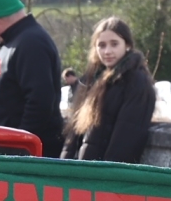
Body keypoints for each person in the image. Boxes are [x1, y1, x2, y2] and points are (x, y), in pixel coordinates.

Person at [59, 16, 154, 163]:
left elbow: (127, 140)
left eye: (114, 44)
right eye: (101, 45)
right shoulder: (93, 78)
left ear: (127, 45)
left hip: (102, 173)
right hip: (80, 170)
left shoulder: (136, 81)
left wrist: (107, 174)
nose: (107, 51)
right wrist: (64, 167)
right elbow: (74, 135)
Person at [0, 0, 63, 156]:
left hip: (30, 155)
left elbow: (40, 101)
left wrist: (21, 145)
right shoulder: (14, 42)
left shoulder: (31, 43)